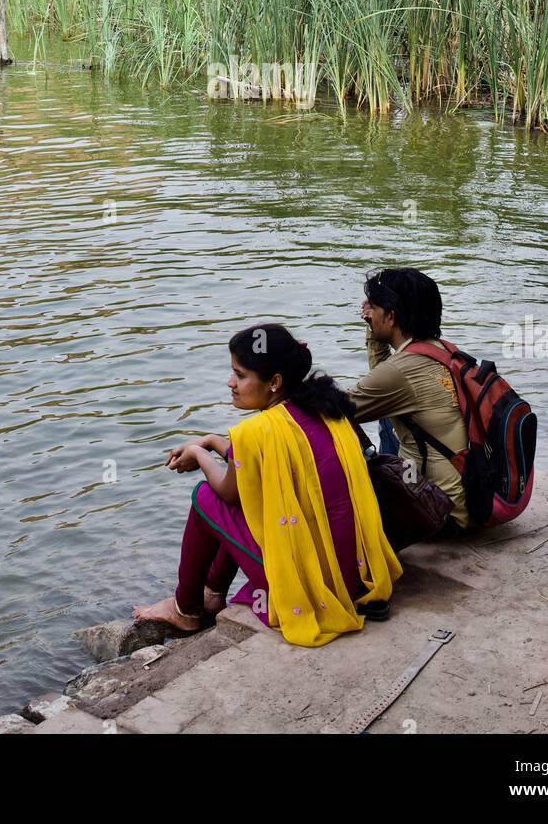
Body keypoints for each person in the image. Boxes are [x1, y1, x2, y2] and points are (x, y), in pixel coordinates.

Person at [133, 323, 402, 647]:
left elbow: (228, 491)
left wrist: (198, 454)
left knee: (204, 497)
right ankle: (213, 593)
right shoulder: (327, 409)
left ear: (274, 382)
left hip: (314, 582)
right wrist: (213, 441)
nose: (231, 383)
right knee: (253, 495)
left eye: (241, 375)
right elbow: (262, 459)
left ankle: (185, 608)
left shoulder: (257, 430)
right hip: (353, 575)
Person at [348, 267, 470, 533]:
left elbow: (333, 410)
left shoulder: (401, 370)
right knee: (386, 420)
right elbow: (384, 384)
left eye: (375, 308)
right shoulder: (445, 350)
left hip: (441, 515)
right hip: (465, 499)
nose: (370, 313)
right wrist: (374, 330)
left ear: (390, 316)